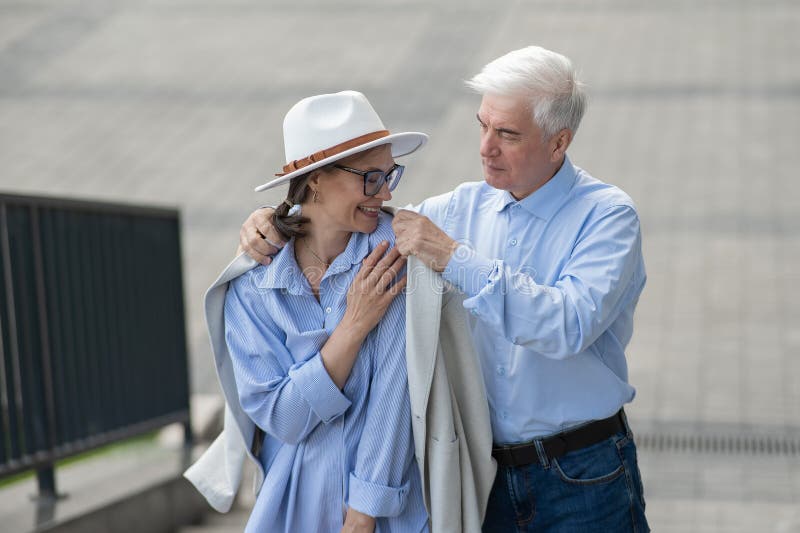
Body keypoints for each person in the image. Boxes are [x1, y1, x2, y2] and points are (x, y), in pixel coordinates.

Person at [239, 45, 650, 532]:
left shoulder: (608, 216)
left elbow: (567, 325)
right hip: (479, 478)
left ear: (558, 142)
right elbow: (354, 212)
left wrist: (456, 259)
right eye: (482, 126)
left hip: (584, 475)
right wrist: (271, 221)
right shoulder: (455, 210)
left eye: (507, 134)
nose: (485, 147)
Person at [189, 90, 430, 533]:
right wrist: (354, 326)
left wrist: (364, 513)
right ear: (316, 178)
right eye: (369, 177)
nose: (384, 192)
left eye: (390, 175)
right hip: (290, 504)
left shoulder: (394, 257)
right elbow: (281, 418)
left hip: (388, 513)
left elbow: (394, 401)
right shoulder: (252, 284)